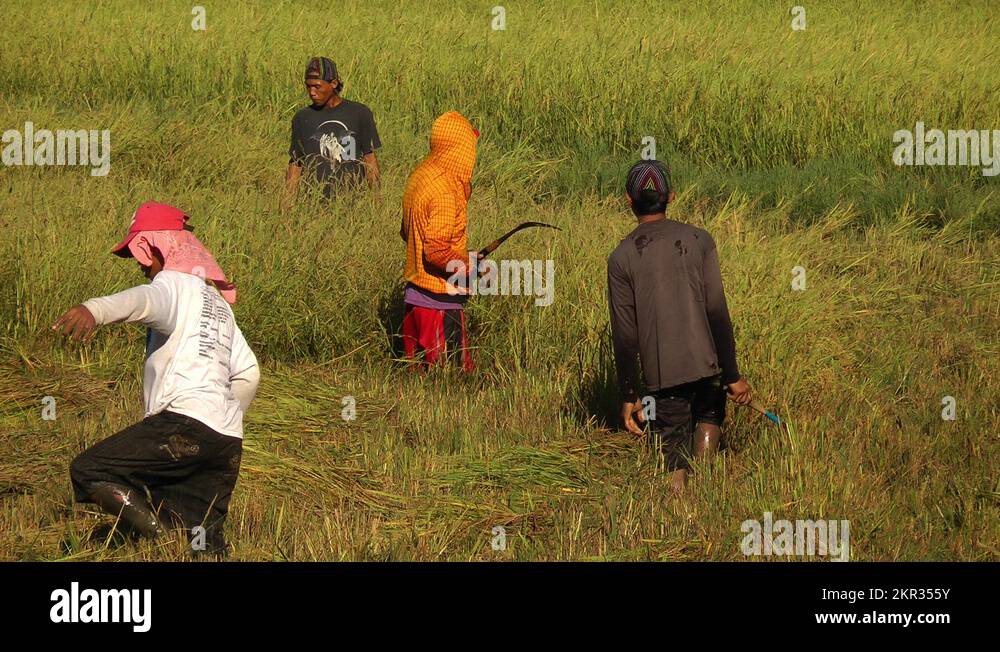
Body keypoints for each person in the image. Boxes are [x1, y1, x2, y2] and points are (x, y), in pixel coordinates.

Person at [52, 201, 259, 555]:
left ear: (151, 248)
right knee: (203, 543)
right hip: (225, 440)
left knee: (90, 471)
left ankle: (158, 539)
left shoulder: (173, 286)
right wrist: (223, 417)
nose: (139, 266)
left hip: (182, 424)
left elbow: (144, 301)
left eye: (138, 255)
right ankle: (177, 544)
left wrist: (94, 309)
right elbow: (249, 373)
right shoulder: (217, 303)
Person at [606, 160, 752, 493]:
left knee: (672, 450)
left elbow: (625, 336)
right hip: (708, 364)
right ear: (671, 196)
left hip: (664, 375)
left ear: (628, 200)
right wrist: (731, 374)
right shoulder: (699, 239)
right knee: (709, 417)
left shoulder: (621, 257)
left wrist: (629, 395)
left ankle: (681, 511)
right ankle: (704, 495)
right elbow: (717, 312)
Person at [398, 111, 480, 371]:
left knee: (417, 378)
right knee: (450, 378)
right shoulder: (445, 190)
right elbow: (436, 252)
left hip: (415, 298)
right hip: (439, 305)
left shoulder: (420, 176)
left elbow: (406, 232)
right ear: (460, 148)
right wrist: (468, 267)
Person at [282, 56, 381, 208]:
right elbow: (296, 162)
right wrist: (287, 204)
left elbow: (369, 158)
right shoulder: (302, 118)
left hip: (353, 204)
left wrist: (376, 200)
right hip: (313, 205)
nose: (312, 92)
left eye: (317, 86)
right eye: (308, 87)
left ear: (333, 84)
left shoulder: (359, 113)